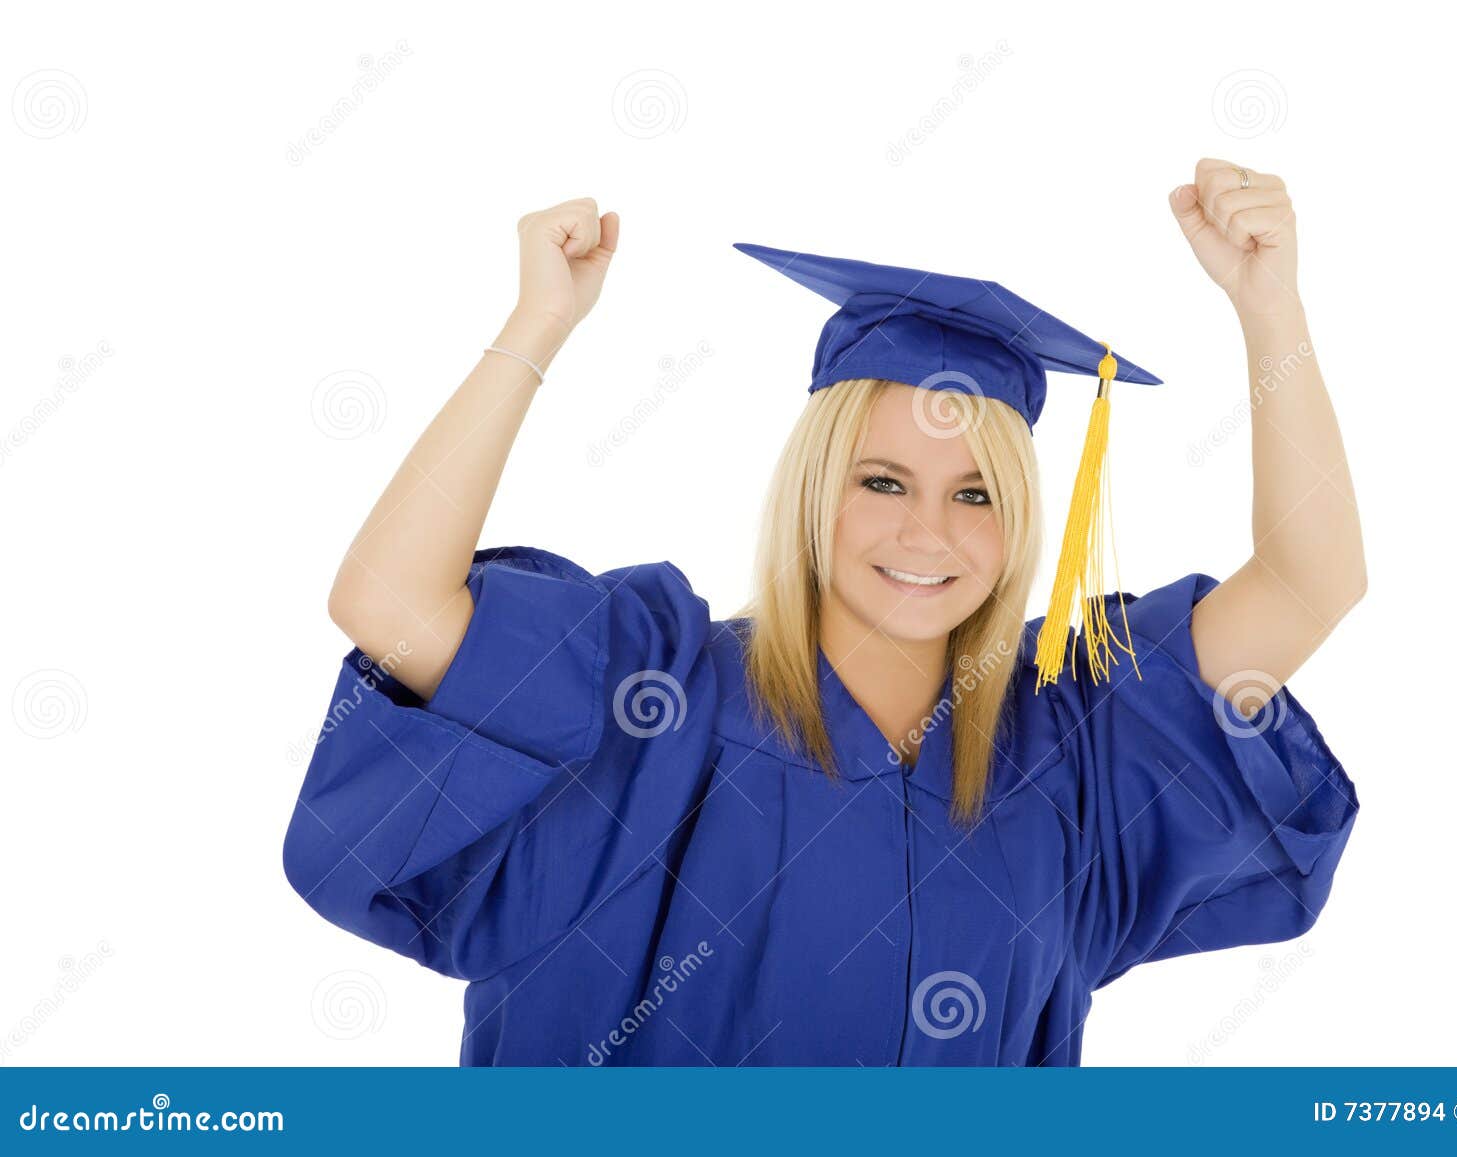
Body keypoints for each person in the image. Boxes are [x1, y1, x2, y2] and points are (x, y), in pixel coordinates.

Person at [282, 159, 1364, 1066]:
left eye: (975, 494)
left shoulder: (1071, 749)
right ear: (814, 490)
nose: (928, 533)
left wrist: (1270, 306)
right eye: (883, 481)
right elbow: (388, 600)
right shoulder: (653, 700)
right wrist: (537, 325)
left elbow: (1309, 586)